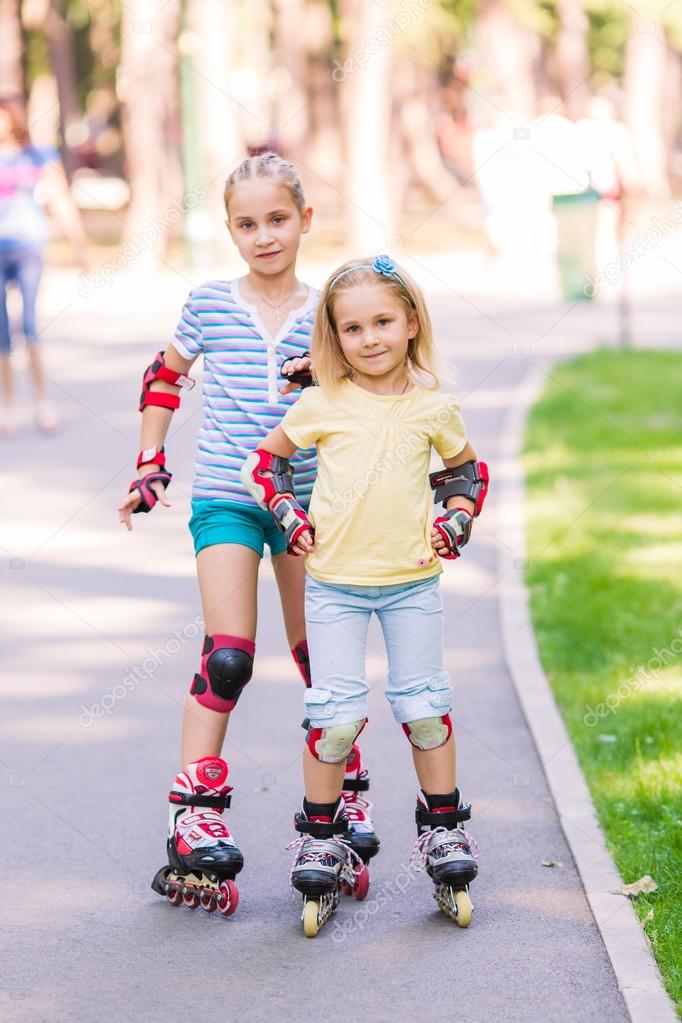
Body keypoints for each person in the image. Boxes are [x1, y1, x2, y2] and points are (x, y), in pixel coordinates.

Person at [117, 153, 379, 916]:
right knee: (228, 654)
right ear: (229, 228)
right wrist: (148, 459)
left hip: (311, 504)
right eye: (245, 222)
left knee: (318, 661)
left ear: (304, 219)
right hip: (230, 499)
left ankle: (345, 800)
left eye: (276, 219)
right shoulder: (207, 303)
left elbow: (372, 384)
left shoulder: (333, 307)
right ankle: (195, 810)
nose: (263, 235)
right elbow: (162, 376)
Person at [242, 254, 489, 935]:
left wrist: (456, 517)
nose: (370, 337)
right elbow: (266, 460)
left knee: (426, 708)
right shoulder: (321, 400)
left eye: (383, 321)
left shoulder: (433, 404)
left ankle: (444, 830)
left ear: (411, 322)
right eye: (352, 328)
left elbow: (466, 470)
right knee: (335, 716)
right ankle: (321, 834)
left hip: (411, 582)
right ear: (335, 336)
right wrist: (289, 514)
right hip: (335, 586)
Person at [0, 96, 89, 435]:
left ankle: (42, 403)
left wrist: (80, 248)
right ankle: (7, 406)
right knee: (1, 334)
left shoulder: (39, 157)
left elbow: (61, 201)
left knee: (28, 324)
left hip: (28, 249)